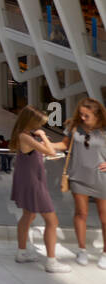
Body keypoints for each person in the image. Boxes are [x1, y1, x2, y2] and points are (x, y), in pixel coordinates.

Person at [9, 107, 70, 272]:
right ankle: (51, 262)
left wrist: (43, 141)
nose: (41, 127)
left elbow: (47, 149)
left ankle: (22, 252)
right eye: (40, 124)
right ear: (32, 122)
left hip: (28, 180)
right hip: (33, 183)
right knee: (52, 221)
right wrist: (43, 136)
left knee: (28, 214)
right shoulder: (26, 137)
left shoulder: (24, 135)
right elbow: (50, 151)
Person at [49, 98, 106, 267]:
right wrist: (44, 144)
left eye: (86, 115)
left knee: (104, 217)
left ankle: (105, 252)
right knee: (81, 213)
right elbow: (64, 145)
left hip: (102, 177)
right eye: (81, 114)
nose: (82, 118)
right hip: (78, 176)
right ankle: (82, 250)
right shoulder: (73, 127)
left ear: (96, 115)